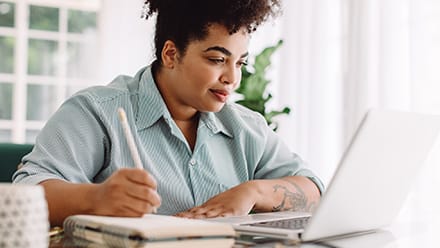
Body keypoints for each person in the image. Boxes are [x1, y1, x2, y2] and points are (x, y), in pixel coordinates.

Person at [13, 0, 324, 226]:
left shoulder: (246, 127)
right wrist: (96, 198)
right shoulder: (97, 112)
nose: (233, 78)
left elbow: (314, 190)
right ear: (171, 54)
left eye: (240, 62)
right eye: (217, 59)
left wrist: (253, 191)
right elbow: (25, 194)